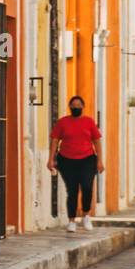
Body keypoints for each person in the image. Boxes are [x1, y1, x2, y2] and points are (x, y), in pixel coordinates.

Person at [48, 95, 105, 232]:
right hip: (67, 160)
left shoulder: (89, 122)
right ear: (70, 107)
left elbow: (97, 141)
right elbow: (55, 140)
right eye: (73, 105)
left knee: (86, 187)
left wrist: (100, 160)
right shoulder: (62, 122)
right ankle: (72, 220)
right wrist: (51, 159)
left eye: (79, 105)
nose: (76, 107)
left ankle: (86, 215)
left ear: (83, 107)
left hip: (87, 159)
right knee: (72, 190)